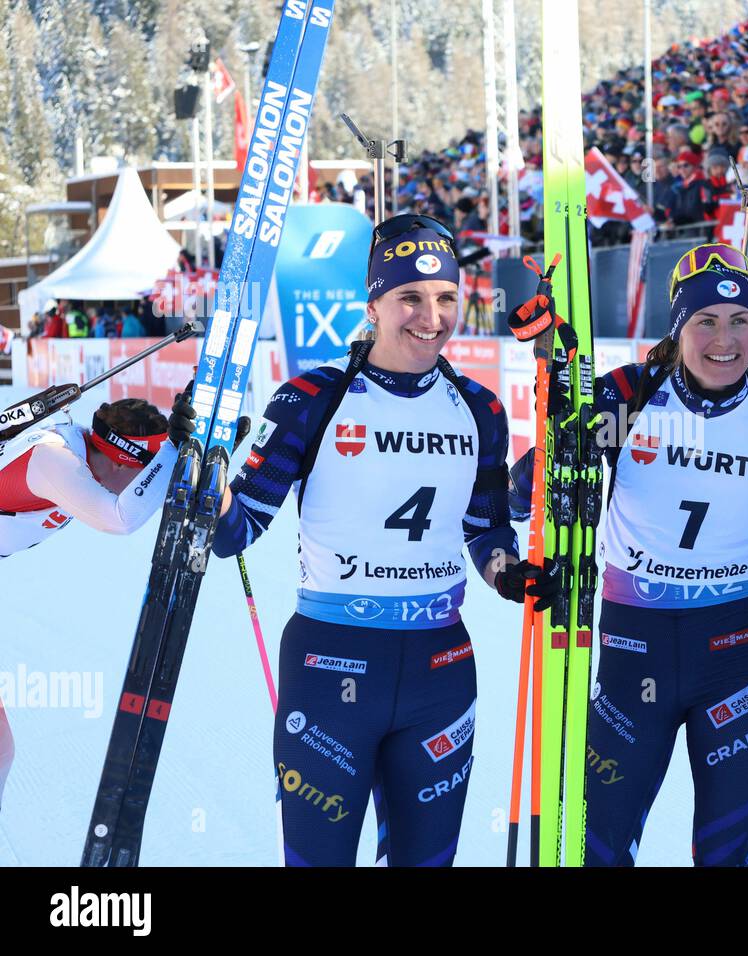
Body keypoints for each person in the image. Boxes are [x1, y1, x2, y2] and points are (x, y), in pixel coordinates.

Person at [207, 214, 555, 866]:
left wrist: (510, 573)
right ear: (374, 304)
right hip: (330, 665)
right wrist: (210, 490)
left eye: (447, 297)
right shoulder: (311, 397)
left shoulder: (478, 407)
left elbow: (486, 529)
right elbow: (237, 531)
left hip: (440, 669)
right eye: (411, 298)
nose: (432, 316)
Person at [510, 242, 748, 866]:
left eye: (740, 322)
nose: (723, 340)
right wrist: (561, 407)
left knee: (725, 854)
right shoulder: (630, 396)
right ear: (678, 330)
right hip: (631, 653)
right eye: (705, 321)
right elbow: (523, 496)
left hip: (735, 661)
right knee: (599, 848)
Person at [0, 397, 178, 559]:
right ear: (120, 463)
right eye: (148, 471)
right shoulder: (55, 459)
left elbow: (153, 494)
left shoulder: (83, 450)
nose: (148, 479)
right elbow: (121, 521)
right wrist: (170, 451)